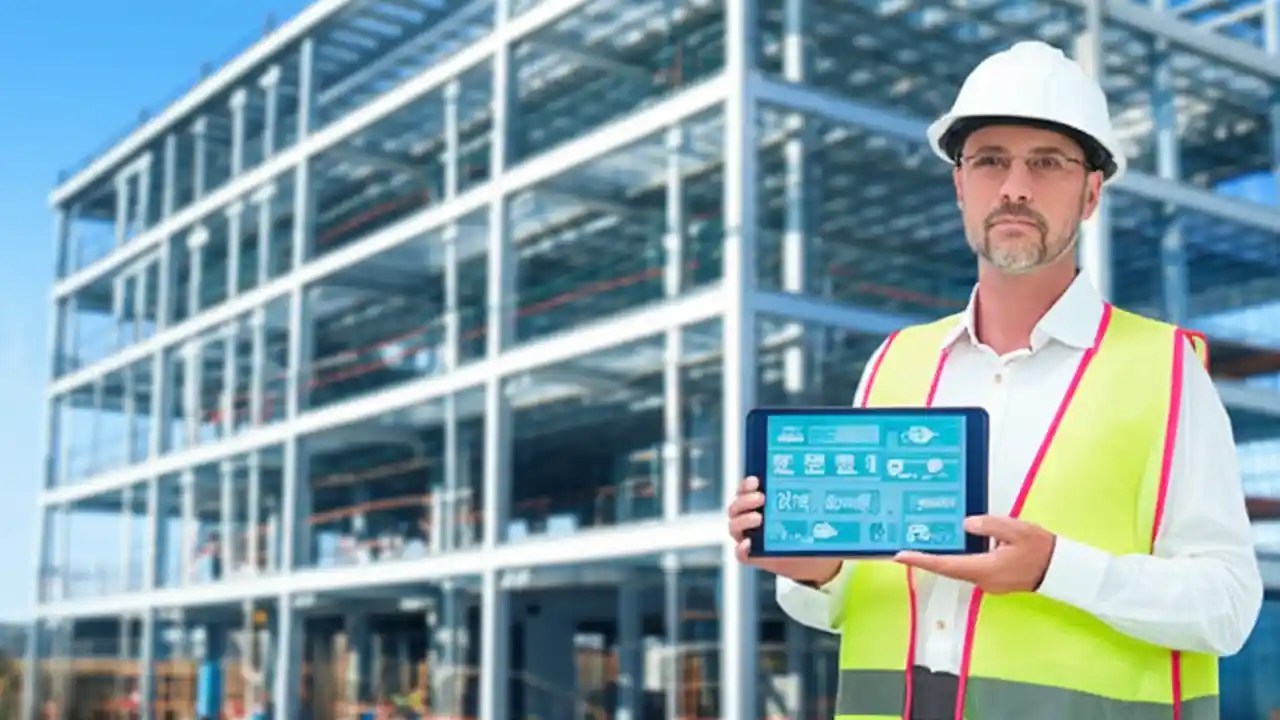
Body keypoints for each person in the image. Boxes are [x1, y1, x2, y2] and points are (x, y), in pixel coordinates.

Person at [726, 40, 1263, 720]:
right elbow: (845, 604)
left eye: (1047, 163)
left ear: (1092, 192)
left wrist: (1052, 569)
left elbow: (1228, 606)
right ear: (959, 185)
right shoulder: (895, 363)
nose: (1015, 186)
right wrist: (812, 570)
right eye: (989, 161)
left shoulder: (1165, 370)